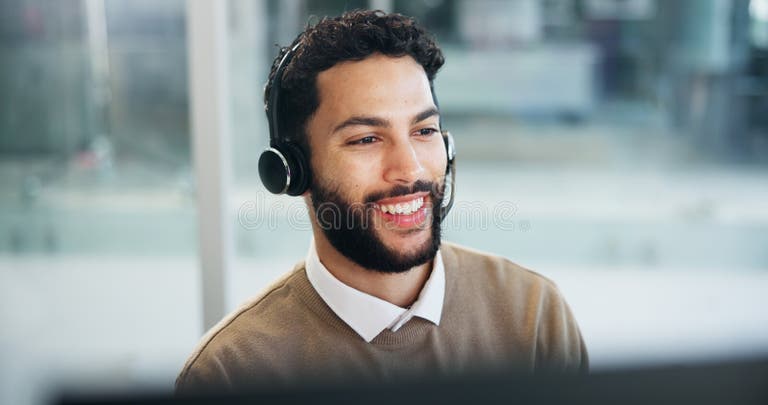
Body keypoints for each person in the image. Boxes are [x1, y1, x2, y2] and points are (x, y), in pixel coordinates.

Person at [176, 9, 587, 394]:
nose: (409, 169)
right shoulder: (230, 373)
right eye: (366, 139)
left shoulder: (533, 317)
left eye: (424, 131)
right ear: (292, 171)